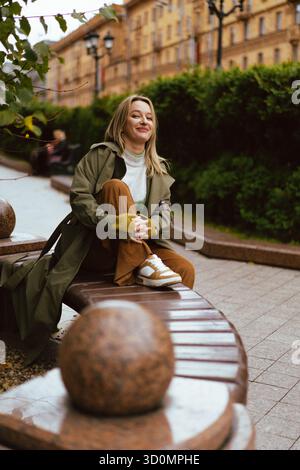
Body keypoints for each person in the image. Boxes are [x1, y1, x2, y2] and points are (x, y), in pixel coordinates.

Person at [1, 95, 195, 362]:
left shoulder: (158, 168)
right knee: (116, 188)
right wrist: (119, 223)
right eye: (136, 115)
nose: (144, 121)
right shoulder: (101, 155)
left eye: (149, 117)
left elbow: (164, 213)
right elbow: (80, 198)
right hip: (95, 247)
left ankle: (153, 340)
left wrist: (147, 226)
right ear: (122, 122)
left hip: (136, 247)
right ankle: (144, 260)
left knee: (185, 269)